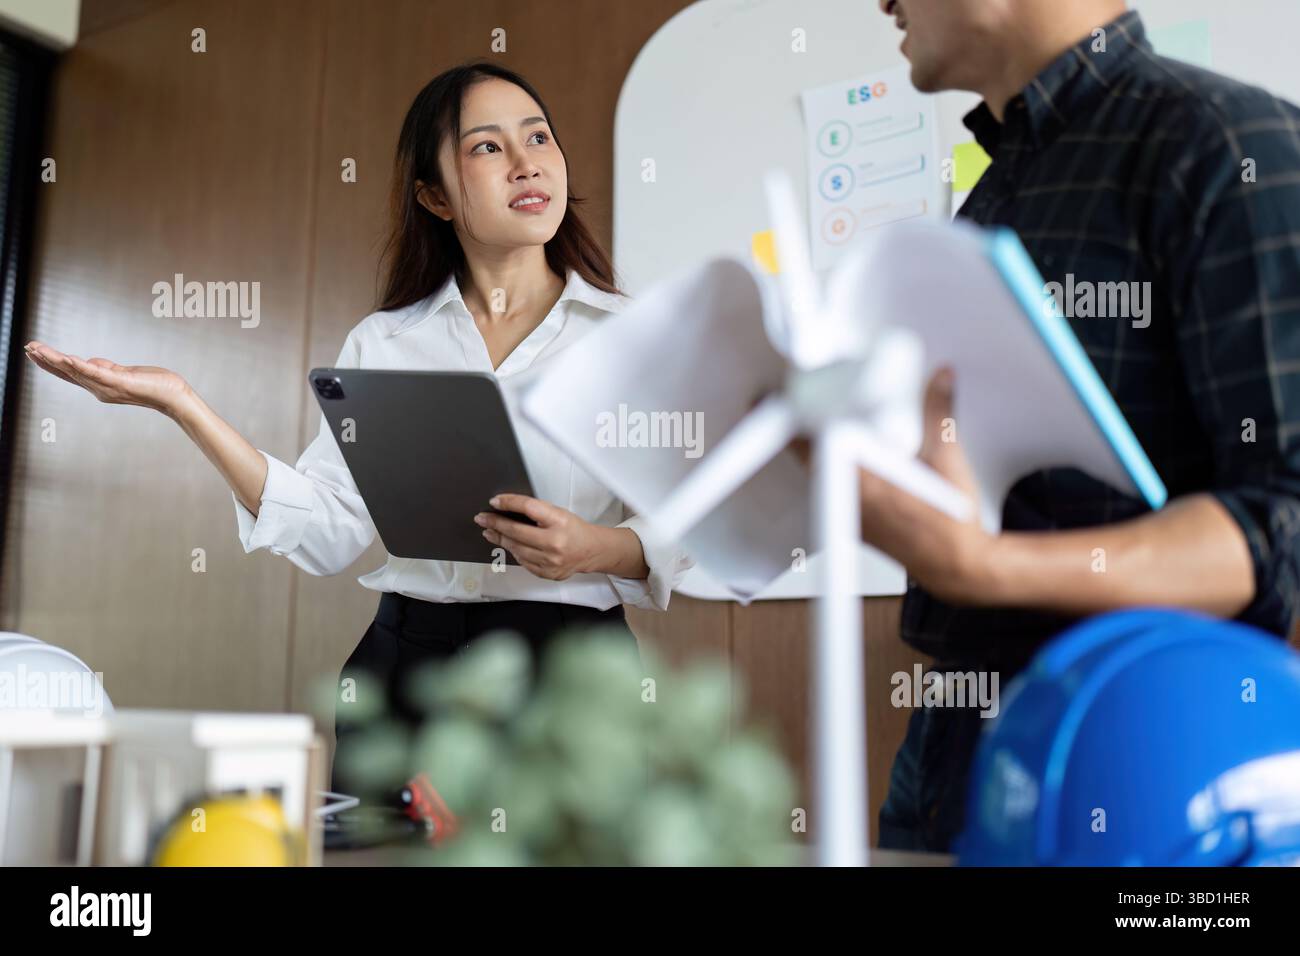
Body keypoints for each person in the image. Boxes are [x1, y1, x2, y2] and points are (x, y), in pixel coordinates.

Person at [24, 62, 692, 792]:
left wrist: (597, 548)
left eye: (538, 137)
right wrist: (183, 404)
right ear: (435, 195)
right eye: (488, 147)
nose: (527, 162)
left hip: (570, 675)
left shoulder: (633, 338)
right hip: (406, 668)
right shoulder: (384, 342)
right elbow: (327, 530)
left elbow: (691, 524)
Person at [858, 0, 1300, 850]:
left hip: (1154, 763)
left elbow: (1282, 517)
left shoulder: (1230, 146)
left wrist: (984, 564)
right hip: (953, 741)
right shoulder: (999, 188)